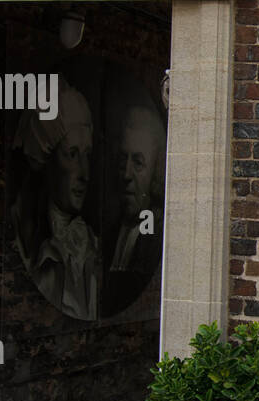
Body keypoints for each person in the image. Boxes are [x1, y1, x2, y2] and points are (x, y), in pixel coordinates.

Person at [12, 82, 101, 320]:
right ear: (47, 160)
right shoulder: (27, 233)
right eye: (72, 155)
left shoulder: (88, 243)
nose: (84, 173)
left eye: (87, 156)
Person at [102, 104, 166, 316]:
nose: (126, 174)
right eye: (123, 160)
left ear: (155, 171)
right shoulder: (108, 233)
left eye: (138, 163)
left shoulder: (159, 234)